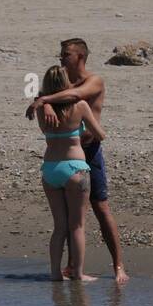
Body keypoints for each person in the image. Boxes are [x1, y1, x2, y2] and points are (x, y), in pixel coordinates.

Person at [27, 38, 129, 283]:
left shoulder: (92, 81)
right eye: (61, 54)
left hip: (90, 151)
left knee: (100, 207)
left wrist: (45, 101)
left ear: (80, 57)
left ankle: (118, 266)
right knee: (73, 217)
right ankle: (73, 267)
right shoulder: (59, 84)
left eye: (66, 54)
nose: (61, 58)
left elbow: (74, 95)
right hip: (71, 155)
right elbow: (40, 100)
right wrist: (44, 102)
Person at [36, 65, 106, 282]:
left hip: (50, 169)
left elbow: (45, 131)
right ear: (66, 85)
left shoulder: (41, 109)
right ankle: (77, 273)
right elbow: (100, 135)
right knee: (77, 226)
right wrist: (82, 132)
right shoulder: (80, 106)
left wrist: (47, 104)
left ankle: (56, 273)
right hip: (75, 167)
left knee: (59, 227)